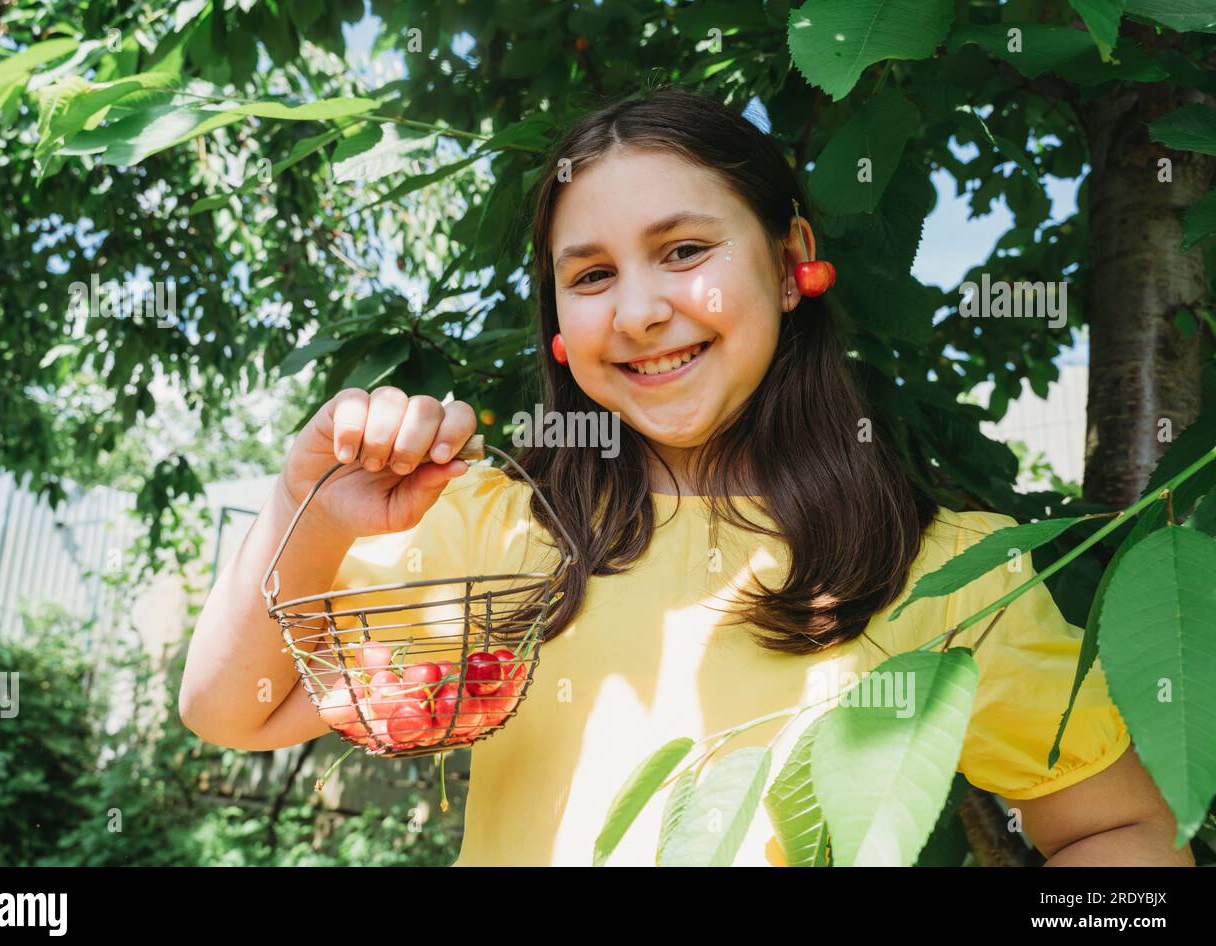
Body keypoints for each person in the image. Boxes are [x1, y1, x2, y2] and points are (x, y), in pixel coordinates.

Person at [180, 88, 1191, 867]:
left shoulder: (951, 573)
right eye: (589, 275)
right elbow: (236, 711)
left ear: (792, 257)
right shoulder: (489, 525)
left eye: (684, 249)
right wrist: (302, 500)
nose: (639, 310)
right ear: (559, 329)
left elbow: (1124, 833)